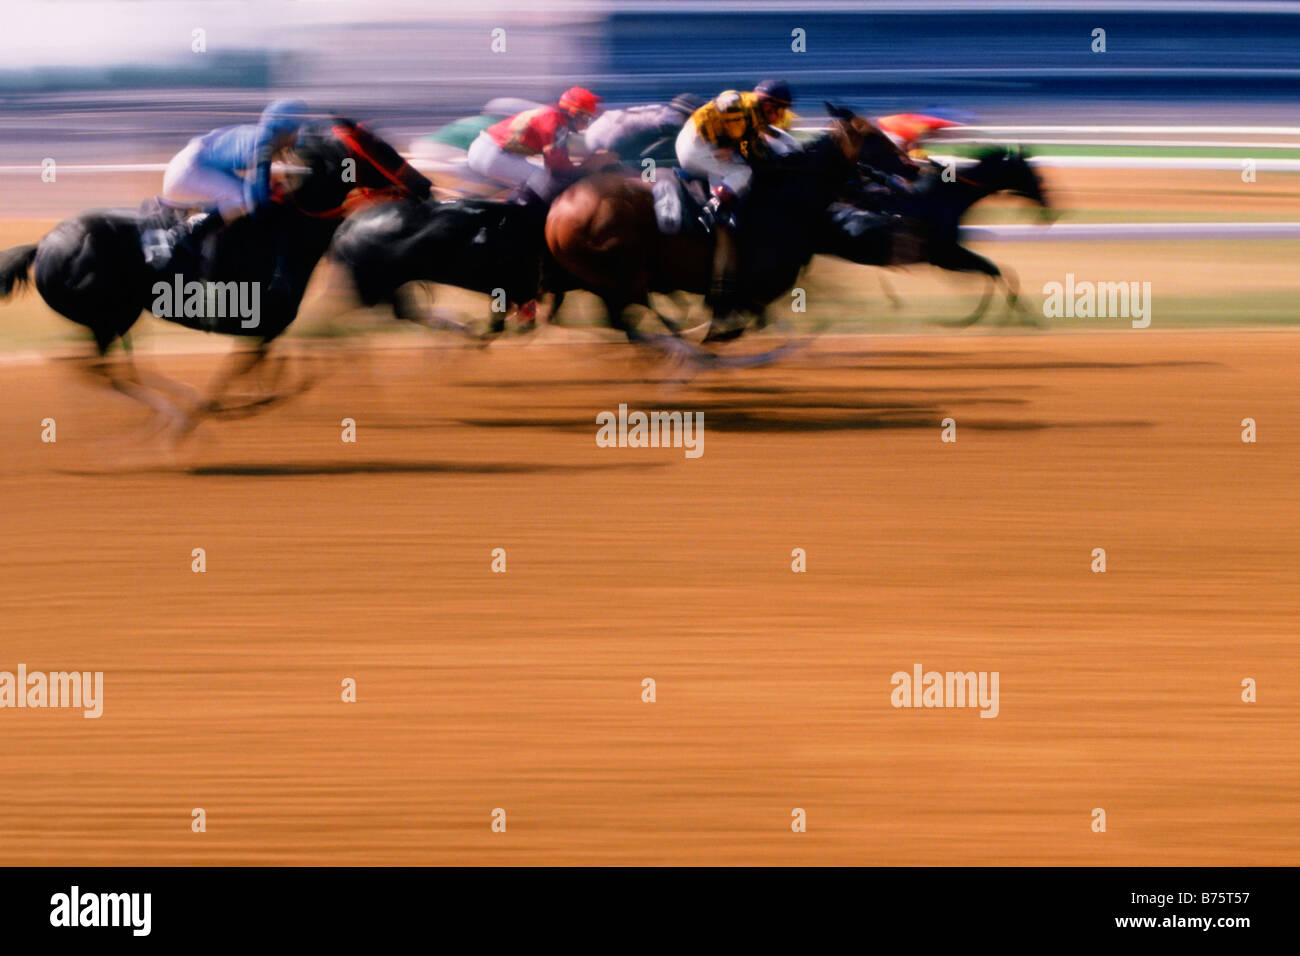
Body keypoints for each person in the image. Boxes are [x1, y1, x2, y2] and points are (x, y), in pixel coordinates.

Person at [674, 78, 795, 318]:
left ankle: (722, 205)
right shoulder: (742, 106)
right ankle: (715, 208)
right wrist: (722, 144)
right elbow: (726, 104)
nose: (781, 115)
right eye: (780, 109)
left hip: (700, 143)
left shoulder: (755, 113)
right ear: (769, 104)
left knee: (740, 168)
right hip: (694, 147)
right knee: (742, 171)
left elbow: (754, 146)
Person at [150, 99, 311, 267]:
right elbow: (260, 197)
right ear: (286, 128)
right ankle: (182, 236)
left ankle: (194, 223)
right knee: (242, 200)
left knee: (242, 197)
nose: (299, 135)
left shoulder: (265, 138)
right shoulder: (264, 143)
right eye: (298, 128)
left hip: (193, 163)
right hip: (189, 169)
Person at [466, 87, 603, 204]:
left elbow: (562, 158)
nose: (588, 124)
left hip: (492, 151)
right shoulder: (554, 121)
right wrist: (585, 171)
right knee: (545, 181)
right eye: (587, 118)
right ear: (574, 114)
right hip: (491, 153)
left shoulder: (558, 120)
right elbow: (556, 165)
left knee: (543, 179)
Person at [583, 93, 704, 164]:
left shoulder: (664, 111)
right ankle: (647, 179)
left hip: (597, 127)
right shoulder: (675, 121)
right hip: (601, 142)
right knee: (673, 143)